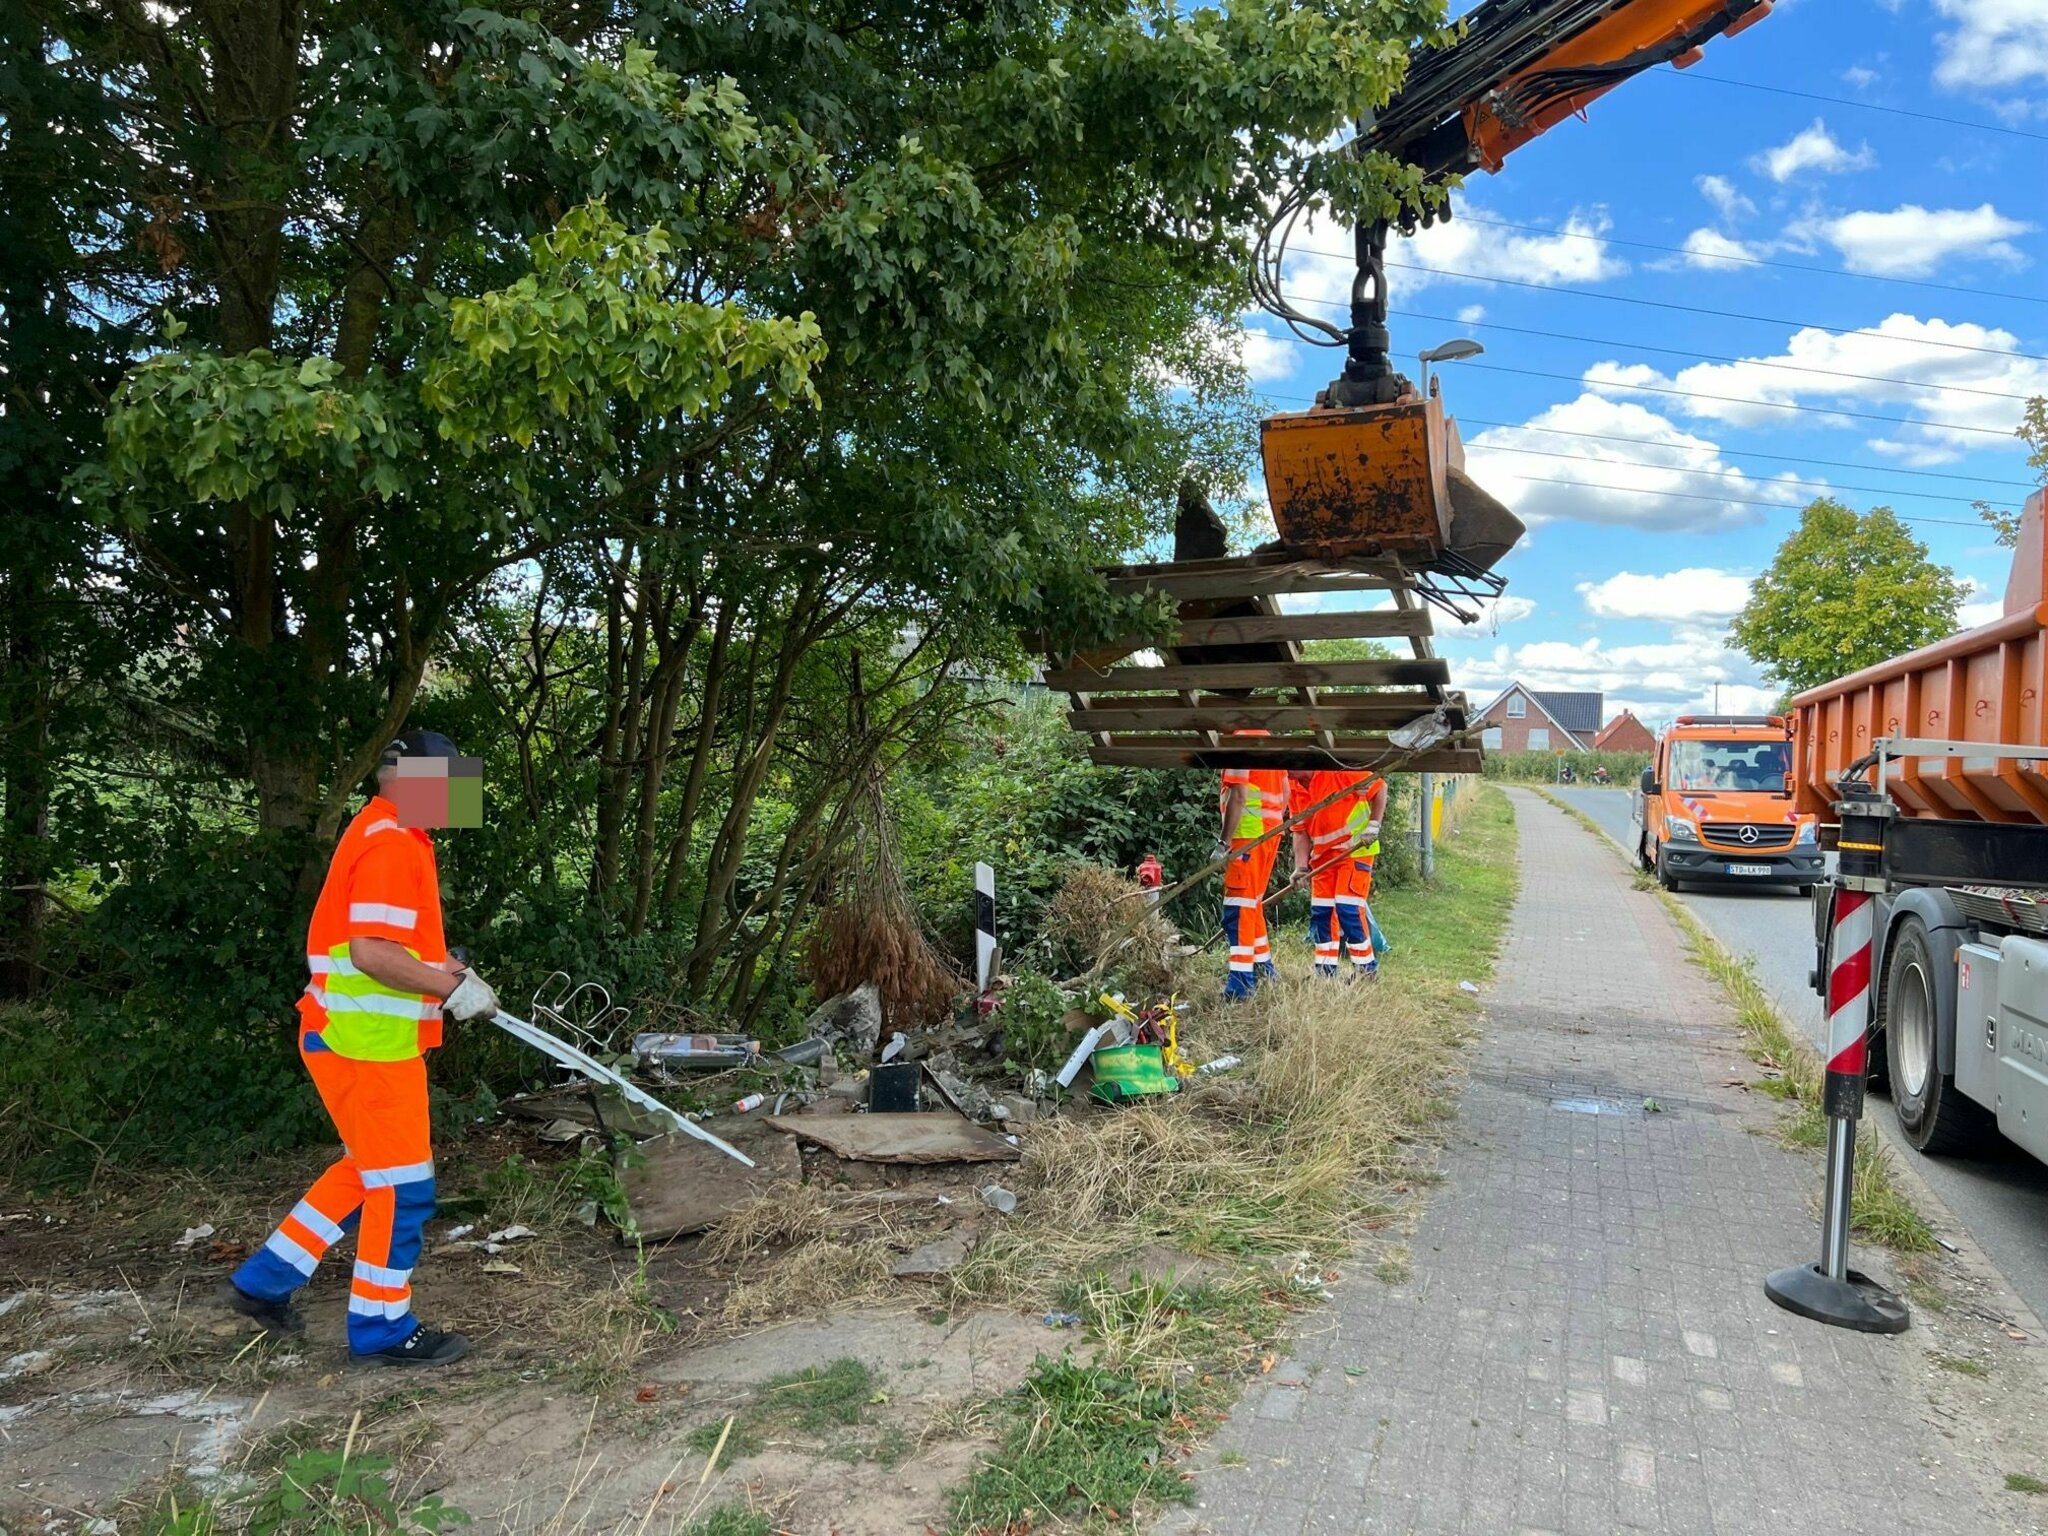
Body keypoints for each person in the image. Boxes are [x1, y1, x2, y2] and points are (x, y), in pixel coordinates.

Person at [225, 730, 500, 1365]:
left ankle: (262, 1285)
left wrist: (445, 969)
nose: (460, 796)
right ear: (410, 778)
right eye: (453, 782)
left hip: (350, 1039)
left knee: (363, 1174)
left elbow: (385, 944)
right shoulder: (391, 843)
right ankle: (381, 1328)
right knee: (403, 1190)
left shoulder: (387, 834)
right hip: (365, 1049)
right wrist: (452, 990)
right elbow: (371, 954)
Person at [1293, 767, 1387, 979]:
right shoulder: (1294, 787)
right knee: (1321, 914)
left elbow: (1379, 787)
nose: (1283, 774)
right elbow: (1300, 832)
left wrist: (1374, 824)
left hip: (1354, 852)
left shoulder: (1335, 772)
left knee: (1348, 910)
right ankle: (1325, 971)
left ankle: (1366, 971)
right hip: (1322, 861)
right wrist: (1301, 867)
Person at [1219, 757, 1289, 998]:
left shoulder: (1241, 743)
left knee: (1238, 909)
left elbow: (1238, 796)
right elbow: (1285, 793)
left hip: (1246, 837)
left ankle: (1240, 985)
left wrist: (1223, 843)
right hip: (1268, 836)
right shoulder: (1269, 745)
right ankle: (1264, 968)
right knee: (1252, 906)